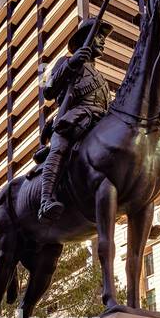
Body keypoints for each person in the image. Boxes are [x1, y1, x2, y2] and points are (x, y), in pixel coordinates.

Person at [38, 17, 113, 221]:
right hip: (75, 118)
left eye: (103, 36)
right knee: (60, 147)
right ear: (85, 38)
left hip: (100, 121)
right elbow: (49, 90)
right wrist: (72, 62)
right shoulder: (66, 61)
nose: (103, 40)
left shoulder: (99, 75)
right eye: (98, 35)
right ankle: (46, 200)